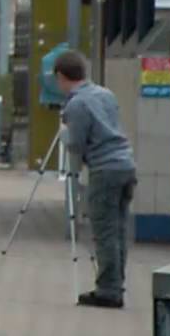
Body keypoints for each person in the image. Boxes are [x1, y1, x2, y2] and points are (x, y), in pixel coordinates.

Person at [53, 49, 137, 309]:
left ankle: (108, 290)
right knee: (119, 229)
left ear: (61, 76)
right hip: (125, 164)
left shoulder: (76, 104)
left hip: (104, 170)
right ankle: (116, 283)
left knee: (105, 231)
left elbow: (76, 144)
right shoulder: (105, 94)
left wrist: (63, 132)